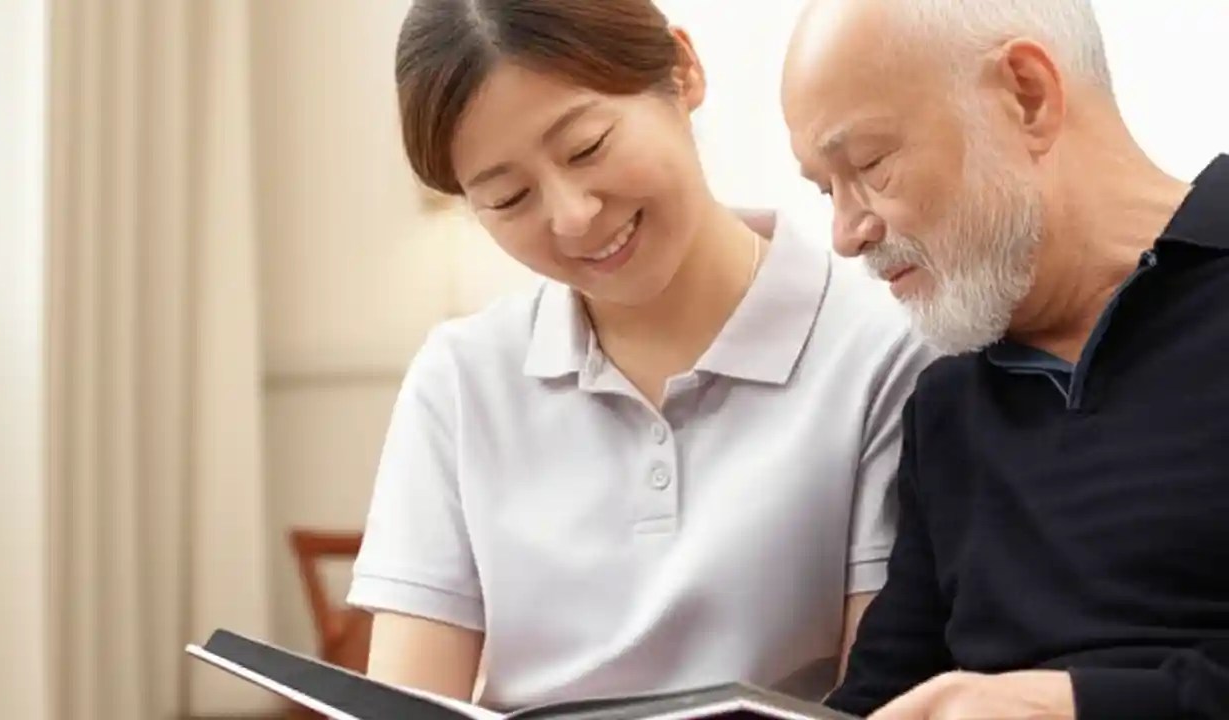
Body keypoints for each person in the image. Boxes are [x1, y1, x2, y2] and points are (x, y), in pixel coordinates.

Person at [345, 0, 936, 712]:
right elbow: (406, 704)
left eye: (586, 147)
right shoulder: (461, 380)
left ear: (683, 72)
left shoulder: (884, 355)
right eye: (508, 198)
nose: (572, 216)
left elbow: (883, 699)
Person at [780, 0, 1229, 718]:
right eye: (825, 189)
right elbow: (877, 698)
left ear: (1027, 96)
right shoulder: (948, 406)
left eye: (868, 164)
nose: (846, 232)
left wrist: (1075, 707)